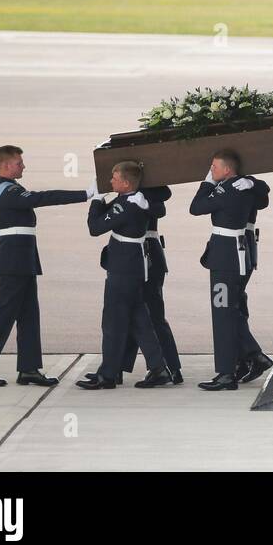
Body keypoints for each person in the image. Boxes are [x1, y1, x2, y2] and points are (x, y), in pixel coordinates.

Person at [0, 145, 95, 388]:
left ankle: (29, 369)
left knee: (28, 315)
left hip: (21, 261)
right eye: (19, 163)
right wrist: (85, 194)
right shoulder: (10, 192)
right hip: (14, 262)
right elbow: (43, 198)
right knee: (4, 314)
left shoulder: (9, 190)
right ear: (6, 166)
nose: (23, 166)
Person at [77, 161, 173, 390]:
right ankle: (158, 367)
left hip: (124, 267)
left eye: (114, 178)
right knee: (139, 319)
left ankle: (108, 375)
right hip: (132, 266)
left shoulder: (128, 205)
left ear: (127, 183)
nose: (110, 181)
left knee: (113, 320)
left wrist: (96, 199)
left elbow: (95, 227)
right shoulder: (130, 199)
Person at [190, 150, 258, 391]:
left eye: (214, 167)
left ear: (227, 170)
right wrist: (253, 180)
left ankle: (227, 374)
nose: (211, 171)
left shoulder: (227, 189)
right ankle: (250, 357)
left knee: (222, 314)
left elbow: (196, 207)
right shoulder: (245, 187)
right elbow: (263, 196)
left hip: (225, 257)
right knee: (229, 311)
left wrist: (207, 182)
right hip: (233, 253)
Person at [118, 183, 182, 383]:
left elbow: (163, 198)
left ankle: (170, 367)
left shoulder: (148, 191)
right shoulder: (133, 190)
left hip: (147, 255)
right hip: (133, 254)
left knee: (153, 315)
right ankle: (116, 367)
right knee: (130, 314)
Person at [233, 176, 273, 383]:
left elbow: (264, 194)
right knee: (236, 302)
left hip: (239, 247)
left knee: (229, 307)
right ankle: (241, 360)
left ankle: (253, 355)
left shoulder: (246, 186)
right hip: (241, 245)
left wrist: (251, 182)